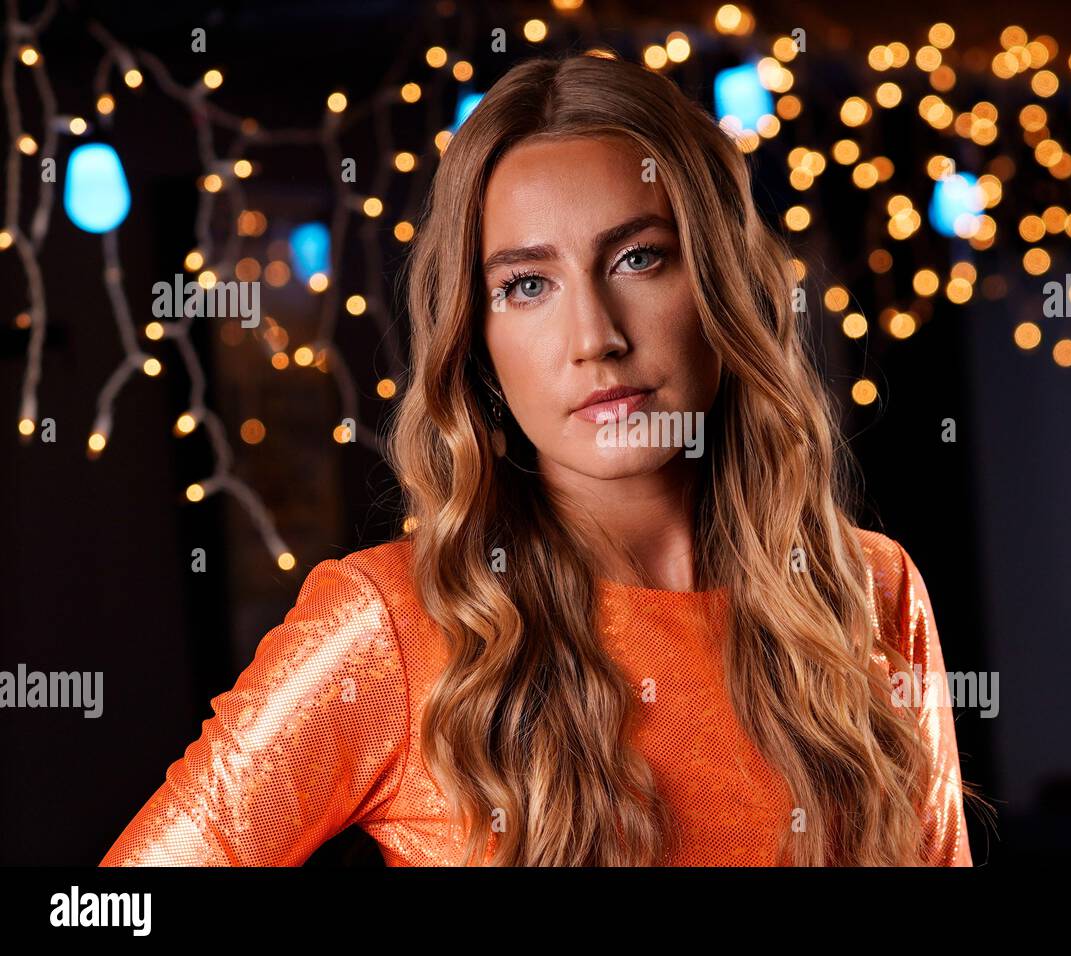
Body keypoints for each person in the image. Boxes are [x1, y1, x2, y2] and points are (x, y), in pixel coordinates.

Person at [101, 53, 980, 867]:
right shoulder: (391, 627)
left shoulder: (869, 589)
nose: (594, 337)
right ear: (475, 344)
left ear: (722, 286)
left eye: (639, 258)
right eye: (526, 285)